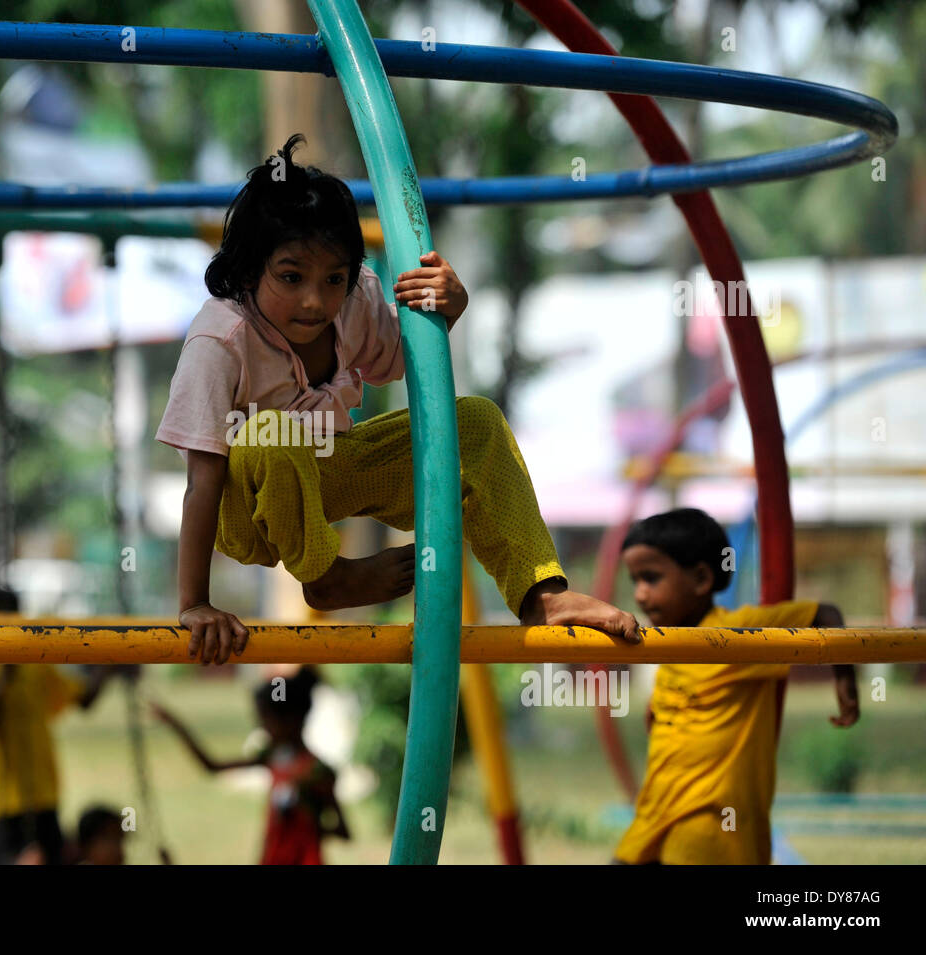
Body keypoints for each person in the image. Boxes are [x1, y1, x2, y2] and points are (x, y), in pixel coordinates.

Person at [155, 133, 639, 664]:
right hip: (245, 502)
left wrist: (450, 307)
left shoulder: (354, 297)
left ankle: (540, 595)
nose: (315, 300)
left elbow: (403, 359)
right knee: (273, 437)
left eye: (332, 278)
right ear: (250, 270)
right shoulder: (219, 341)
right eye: (291, 277)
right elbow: (202, 483)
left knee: (476, 421)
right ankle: (328, 577)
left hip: (328, 471)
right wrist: (195, 604)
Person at [612, 508, 860, 865]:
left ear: (700, 578)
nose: (640, 594)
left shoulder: (737, 633)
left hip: (709, 817)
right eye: (634, 580)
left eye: (650, 578)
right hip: (657, 808)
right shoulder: (669, 641)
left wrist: (844, 680)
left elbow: (826, 615)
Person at [0, 584, 120, 865]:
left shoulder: (34, 663)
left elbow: (83, 699)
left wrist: (113, 658)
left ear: (14, 617)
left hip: (44, 794)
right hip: (4, 800)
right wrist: (5, 677)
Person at [152, 667, 348, 865]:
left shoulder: (317, 772)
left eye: (267, 721)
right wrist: (173, 723)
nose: (263, 728)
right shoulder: (272, 757)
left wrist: (309, 817)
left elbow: (344, 831)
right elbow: (211, 766)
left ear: (291, 720)